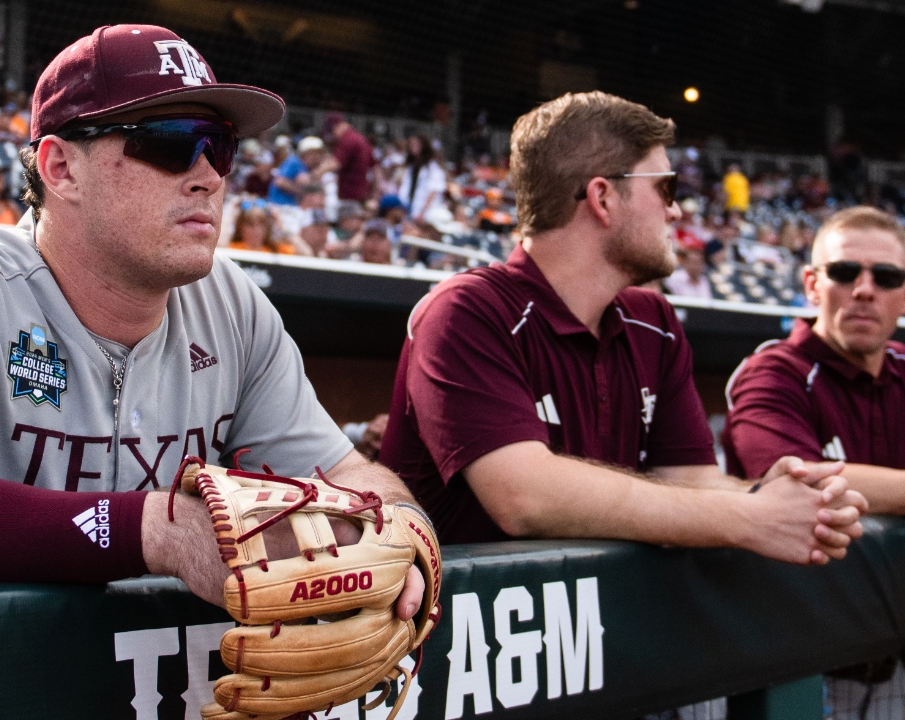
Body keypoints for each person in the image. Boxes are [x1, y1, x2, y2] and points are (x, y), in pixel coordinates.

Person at [0, 25, 426, 621]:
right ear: (61, 168)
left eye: (221, 147)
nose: (209, 176)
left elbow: (345, 474)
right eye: (172, 142)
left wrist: (399, 524)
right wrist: (156, 531)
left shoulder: (231, 303)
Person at [378, 91, 865, 565]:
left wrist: (770, 498)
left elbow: (692, 483)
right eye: (665, 189)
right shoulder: (464, 310)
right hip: (456, 620)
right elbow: (524, 497)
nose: (676, 210)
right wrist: (751, 516)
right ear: (603, 198)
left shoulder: (654, 322)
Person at [725, 207, 905, 510]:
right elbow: (793, 484)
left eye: (887, 277)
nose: (864, 290)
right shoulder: (770, 374)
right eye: (844, 273)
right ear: (812, 284)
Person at [324, 112, 373, 202]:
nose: (333, 136)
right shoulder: (361, 139)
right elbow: (375, 167)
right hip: (361, 193)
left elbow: (334, 164)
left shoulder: (348, 139)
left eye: (333, 131)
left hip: (350, 196)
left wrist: (313, 176)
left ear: (338, 126)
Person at [398, 135, 446, 222]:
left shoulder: (432, 168)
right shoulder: (412, 166)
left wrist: (422, 212)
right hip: (408, 205)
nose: (412, 147)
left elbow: (433, 191)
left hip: (425, 211)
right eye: (411, 145)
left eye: (416, 145)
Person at [267, 135, 324, 206]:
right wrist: (300, 192)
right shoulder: (294, 162)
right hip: (279, 205)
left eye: (318, 153)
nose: (315, 157)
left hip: (295, 208)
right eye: (312, 153)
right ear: (304, 154)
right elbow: (280, 182)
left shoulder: (309, 168)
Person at [227, 201, 294, 254]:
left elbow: (300, 252)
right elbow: (221, 246)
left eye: (261, 224)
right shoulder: (233, 249)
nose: (256, 229)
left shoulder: (275, 251)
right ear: (240, 227)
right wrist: (230, 212)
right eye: (250, 224)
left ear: (267, 227)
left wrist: (281, 224)